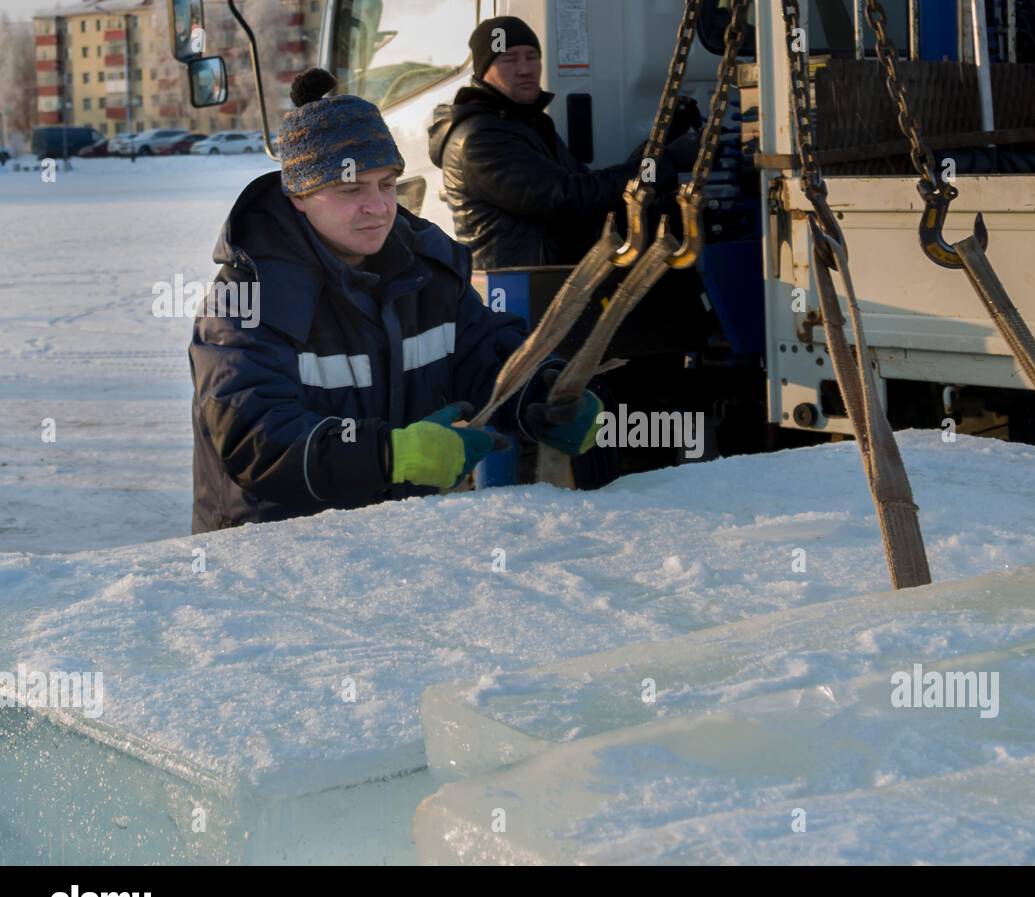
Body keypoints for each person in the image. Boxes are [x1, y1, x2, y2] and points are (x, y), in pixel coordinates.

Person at [189, 68, 604, 533]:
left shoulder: (428, 273)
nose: (379, 206)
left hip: (403, 553)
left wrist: (544, 397)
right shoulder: (245, 302)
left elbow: (486, 357)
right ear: (299, 196)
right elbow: (256, 440)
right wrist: (391, 455)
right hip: (277, 559)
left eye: (387, 184)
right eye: (351, 190)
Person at [429, 15, 701, 270]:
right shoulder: (479, 138)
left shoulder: (524, 124)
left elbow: (590, 186)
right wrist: (665, 163)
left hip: (554, 278)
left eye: (532, 56)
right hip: (525, 292)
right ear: (483, 69)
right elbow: (570, 197)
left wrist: (656, 149)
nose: (525, 69)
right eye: (508, 59)